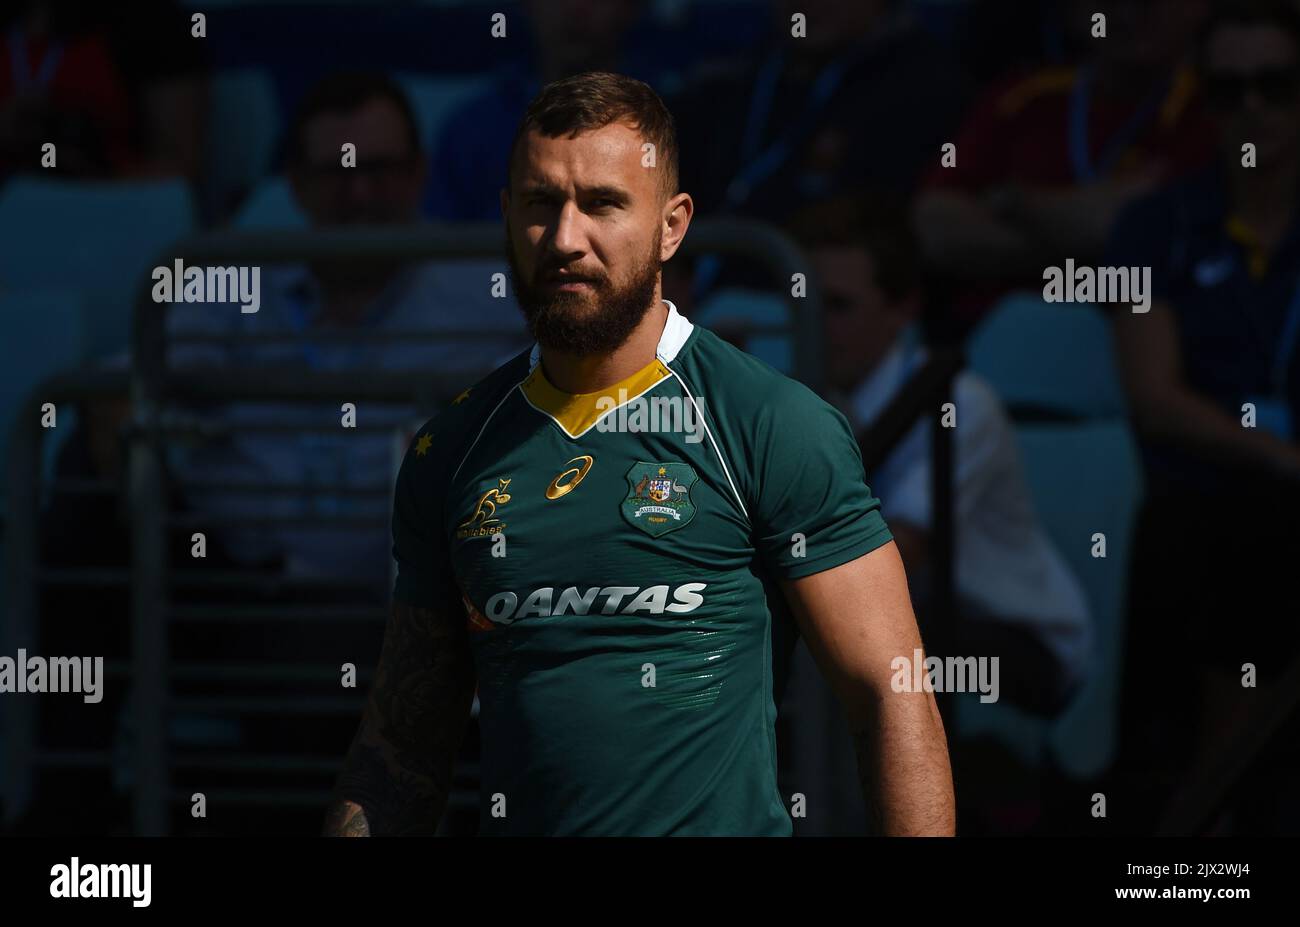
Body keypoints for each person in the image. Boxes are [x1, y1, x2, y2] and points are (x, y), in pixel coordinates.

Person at [324, 71, 955, 836]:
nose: (564, 238)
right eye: (539, 204)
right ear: (504, 215)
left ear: (672, 225)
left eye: (602, 203)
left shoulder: (769, 422)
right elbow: (401, 751)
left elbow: (892, 694)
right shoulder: (451, 449)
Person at [1106, 0, 1300, 831]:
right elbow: (1156, 398)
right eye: (1230, 90)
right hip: (1208, 495)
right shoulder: (1158, 222)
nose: (1252, 108)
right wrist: (1282, 458)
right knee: (1211, 531)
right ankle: (1196, 814)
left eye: (1276, 85)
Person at [790, 192, 1093, 715]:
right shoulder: (811, 394)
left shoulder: (960, 404)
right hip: (924, 620)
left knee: (855, 621)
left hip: (1020, 646)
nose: (818, 326)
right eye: (807, 305)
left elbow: (894, 558)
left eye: (838, 306)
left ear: (904, 307)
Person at [912, 0, 1216, 331]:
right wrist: (1085, 241)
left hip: (1138, 338)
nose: (1126, 12)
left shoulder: (1220, 106)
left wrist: (1011, 203)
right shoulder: (1022, 97)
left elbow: (1127, 233)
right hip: (989, 338)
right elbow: (931, 226)